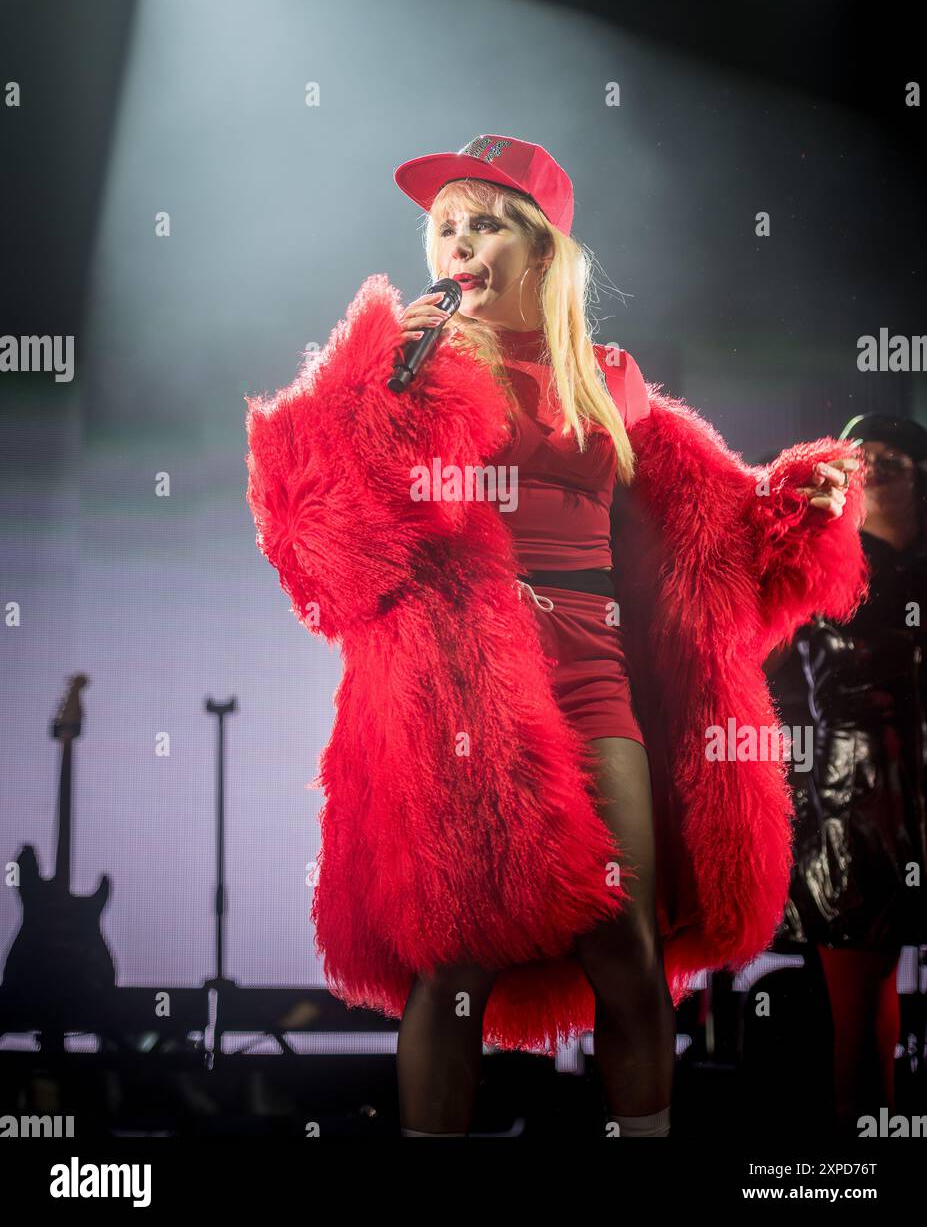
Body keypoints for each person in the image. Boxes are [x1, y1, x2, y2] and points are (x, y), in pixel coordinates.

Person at [245, 133, 868, 1138]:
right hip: (461, 685)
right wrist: (378, 395)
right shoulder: (416, 365)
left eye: (482, 222)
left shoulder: (610, 382)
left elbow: (713, 526)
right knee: (457, 957)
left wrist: (796, 500)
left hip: (594, 664)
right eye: (442, 225)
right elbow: (315, 524)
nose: (456, 241)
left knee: (624, 939)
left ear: (539, 248)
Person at [777, 414, 927, 1134]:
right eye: (860, 459)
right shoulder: (815, 568)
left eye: (893, 458)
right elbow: (745, 660)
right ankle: (861, 1169)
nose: (873, 468)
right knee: (859, 1024)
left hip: (914, 788)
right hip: (851, 809)